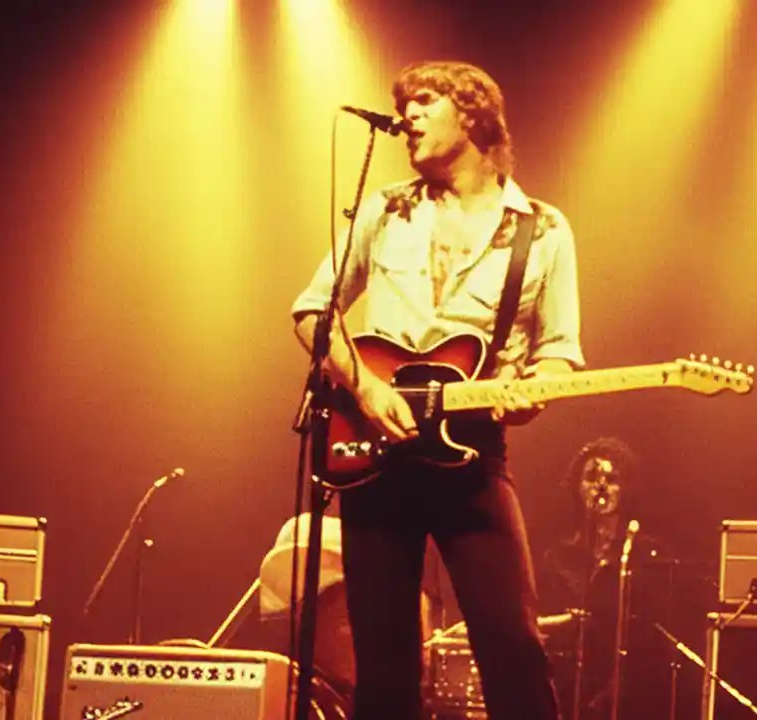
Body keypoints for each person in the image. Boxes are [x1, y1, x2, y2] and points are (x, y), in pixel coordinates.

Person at [291, 60, 584, 720]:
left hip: (473, 457)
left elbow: (560, 355)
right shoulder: (385, 209)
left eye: (425, 101)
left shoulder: (541, 229)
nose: (407, 117)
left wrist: (534, 393)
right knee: (384, 660)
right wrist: (365, 389)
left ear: (473, 115)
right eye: (404, 105)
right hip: (375, 458)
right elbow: (314, 312)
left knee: (512, 645)